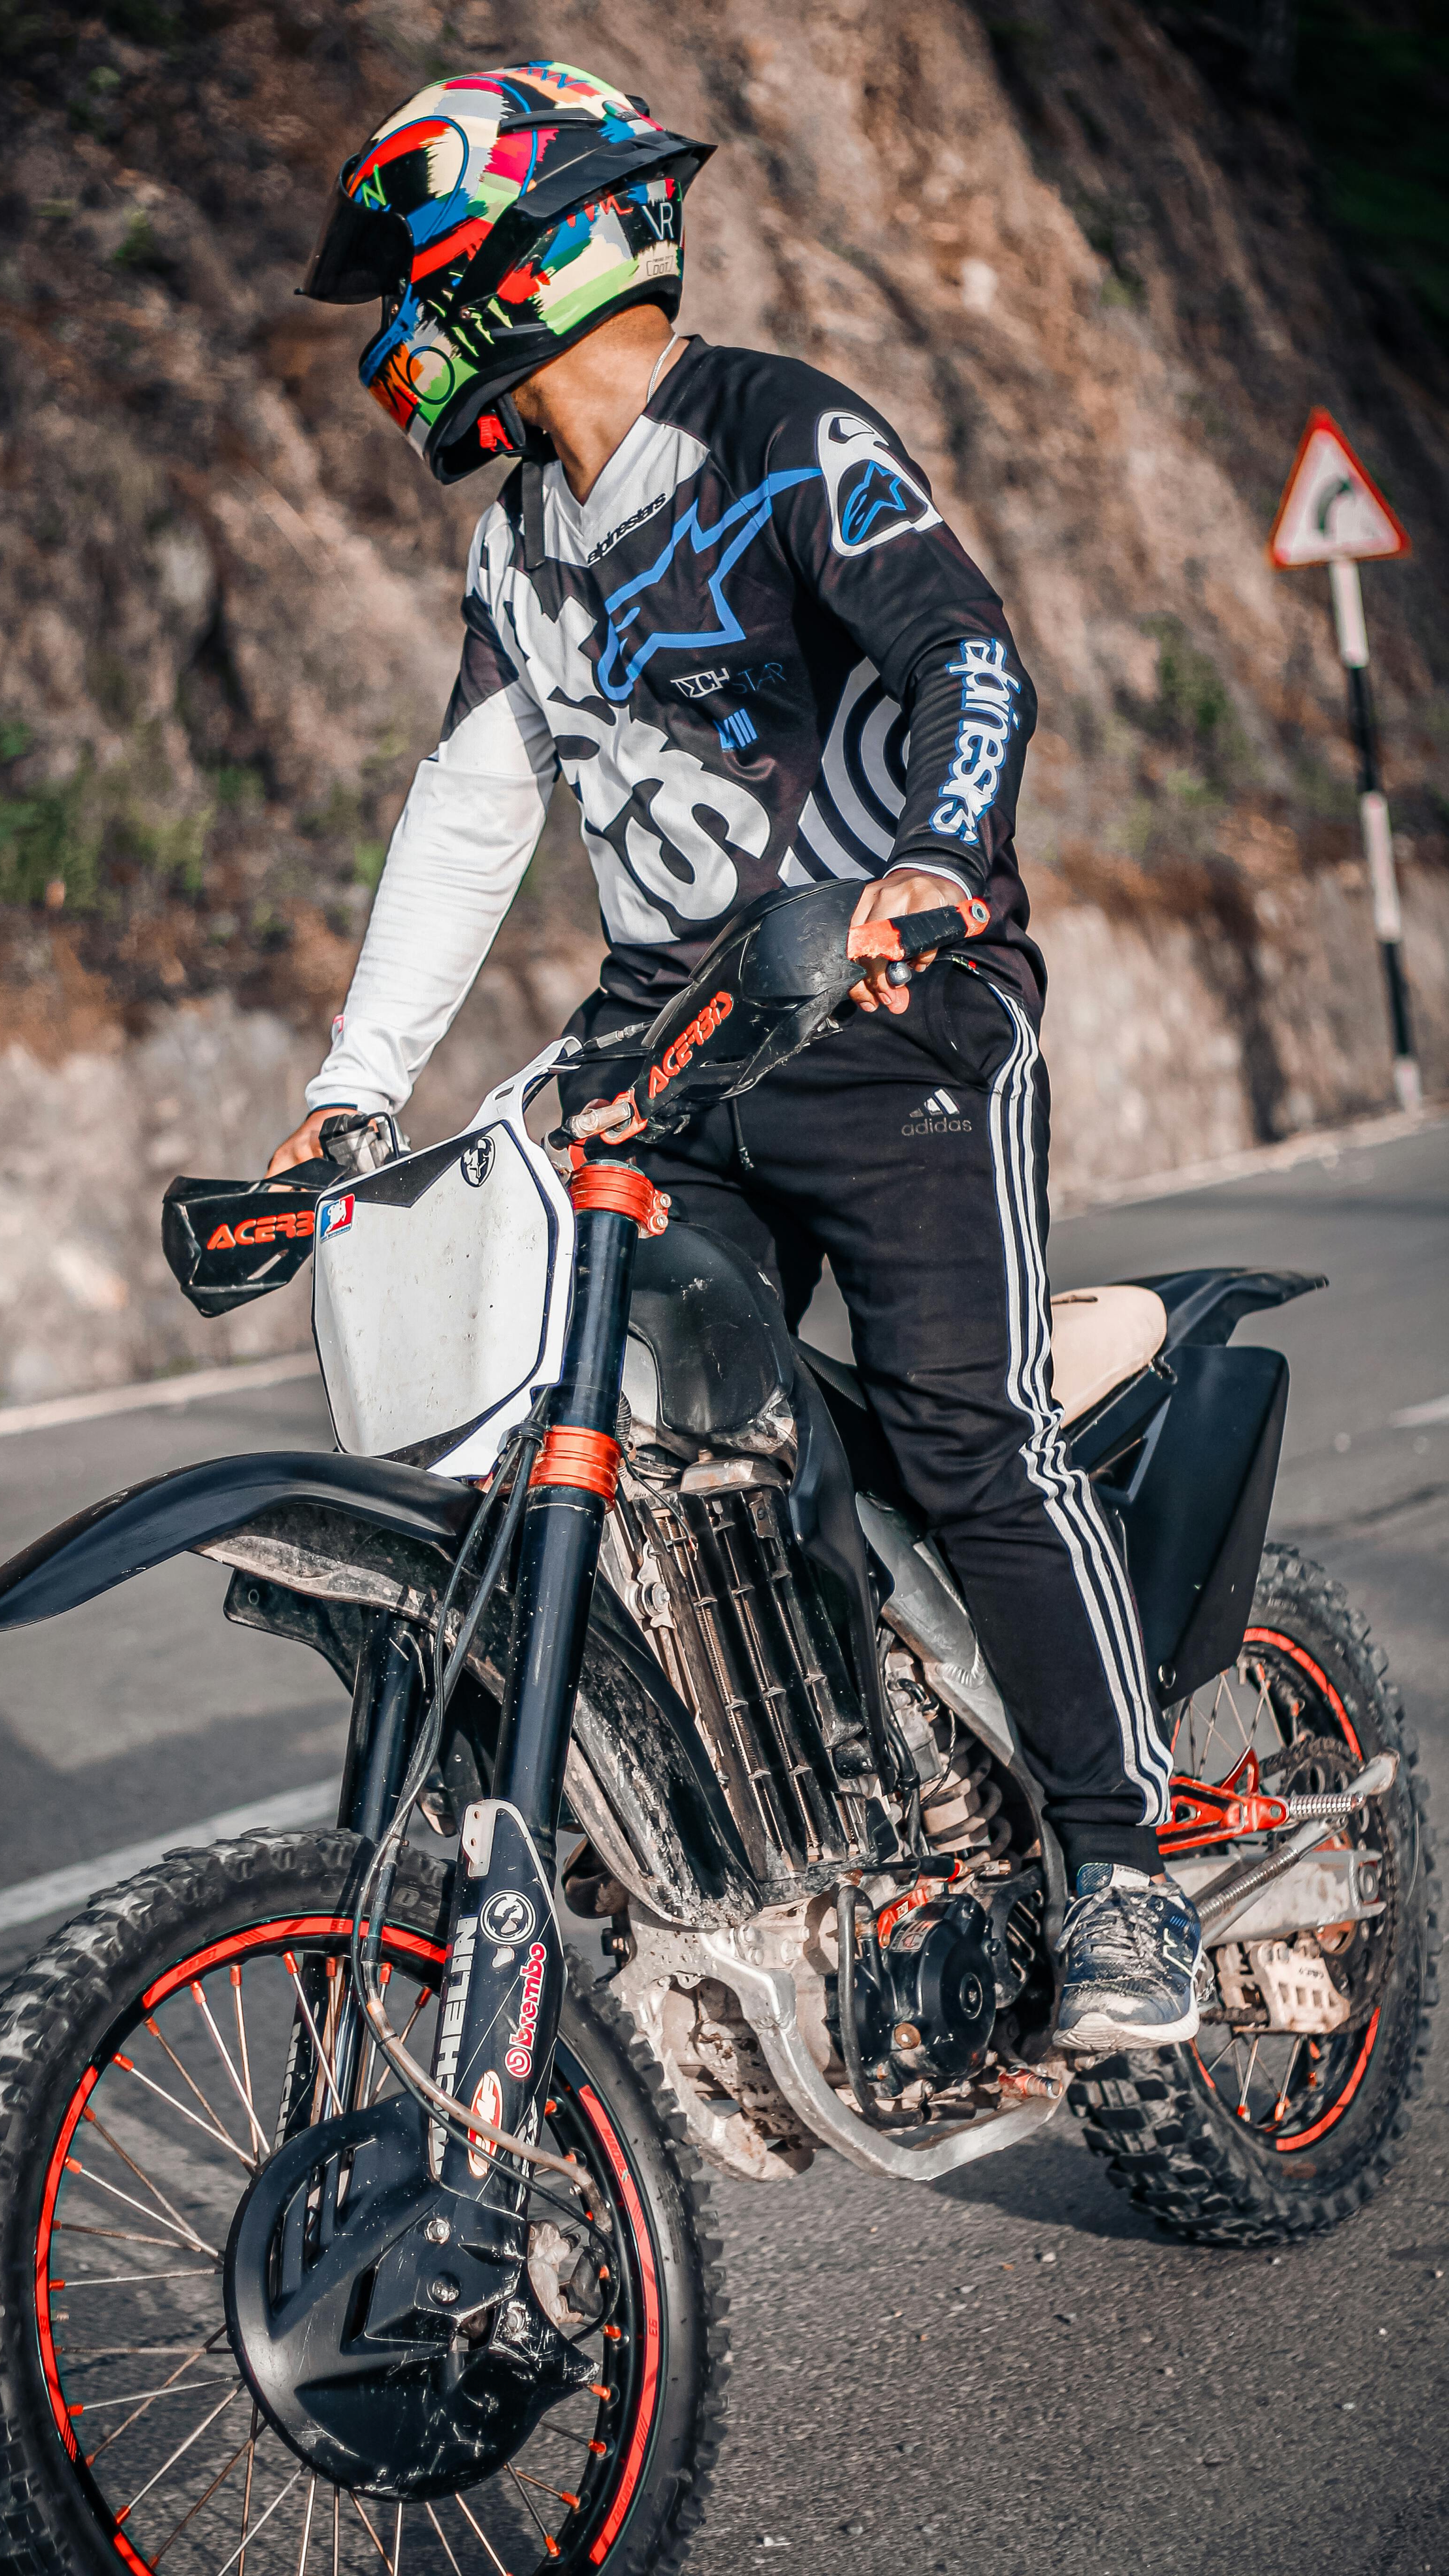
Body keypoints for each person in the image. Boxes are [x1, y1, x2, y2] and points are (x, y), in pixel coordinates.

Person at [267, 60, 1201, 2052]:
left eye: (411, 286)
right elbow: (467, 813)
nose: (398, 342)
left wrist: (934, 869)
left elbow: (968, 655)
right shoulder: (528, 541)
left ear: (525, 268)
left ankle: (1125, 1865)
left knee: (967, 1432)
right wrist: (359, 1089)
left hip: (894, 1026)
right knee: (601, 1429)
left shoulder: (784, 434)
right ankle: (783, 1804)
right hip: (677, 1058)